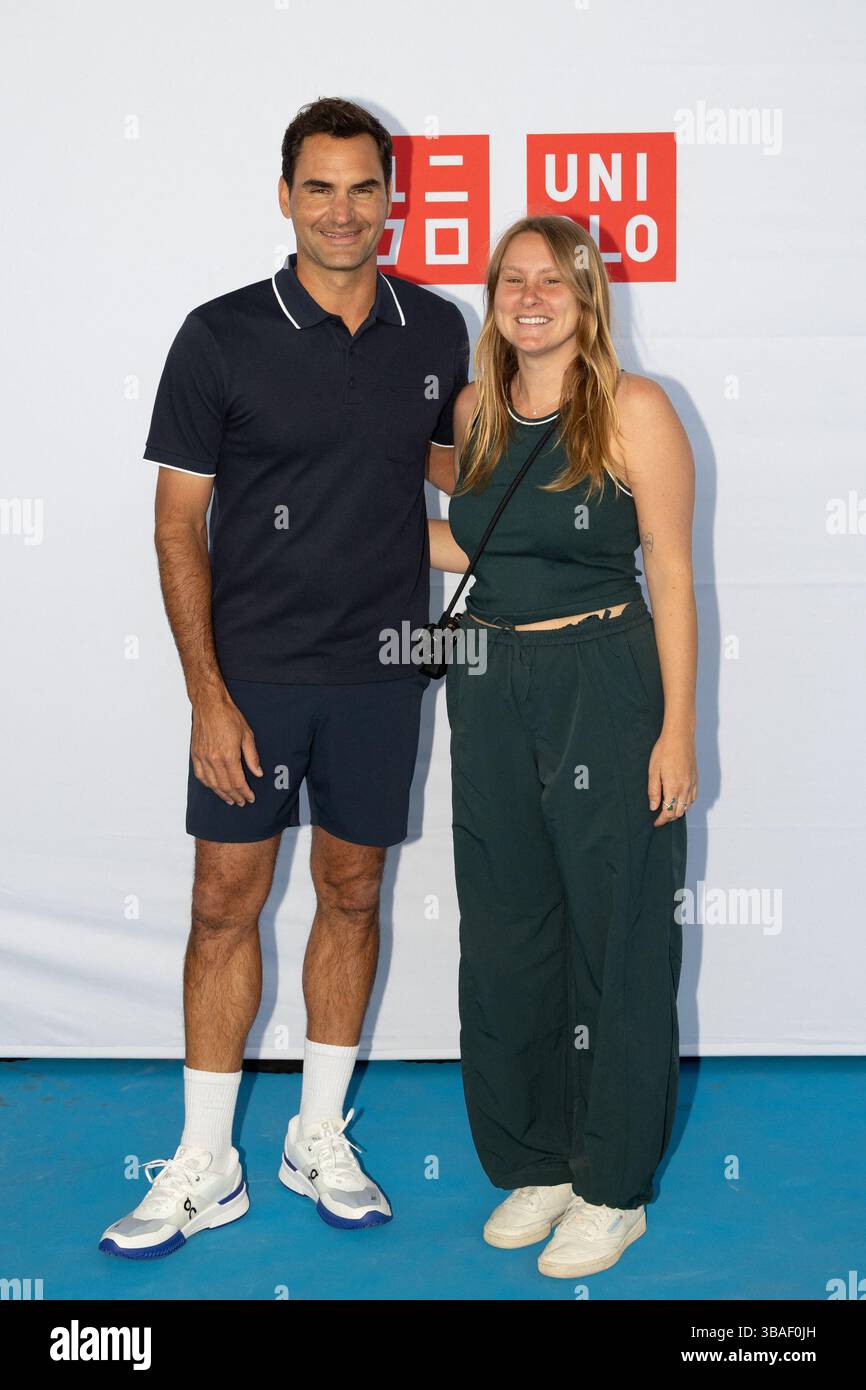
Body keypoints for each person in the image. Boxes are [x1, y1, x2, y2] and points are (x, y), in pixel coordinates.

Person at [99, 97, 469, 1259]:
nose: (343, 211)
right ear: (284, 196)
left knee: (353, 896)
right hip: (252, 677)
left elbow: (452, 502)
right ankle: (207, 1160)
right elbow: (175, 529)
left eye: (364, 188)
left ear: (391, 196)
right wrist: (209, 693)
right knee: (224, 907)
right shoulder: (218, 335)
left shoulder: (437, 330)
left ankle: (317, 1132)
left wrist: (575, 538)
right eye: (320, 188)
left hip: (382, 672)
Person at [428, 215, 697, 1280]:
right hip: (488, 681)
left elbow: (669, 574)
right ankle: (536, 1158)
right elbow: (473, 540)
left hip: (602, 678)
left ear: (587, 299)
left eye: (553, 280)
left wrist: (677, 727)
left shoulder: (634, 409)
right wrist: (343, 516)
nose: (529, 295)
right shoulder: (473, 411)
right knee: (504, 927)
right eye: (510, 279)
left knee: (616, 932)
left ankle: (612, 1185)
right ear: (491, 294)